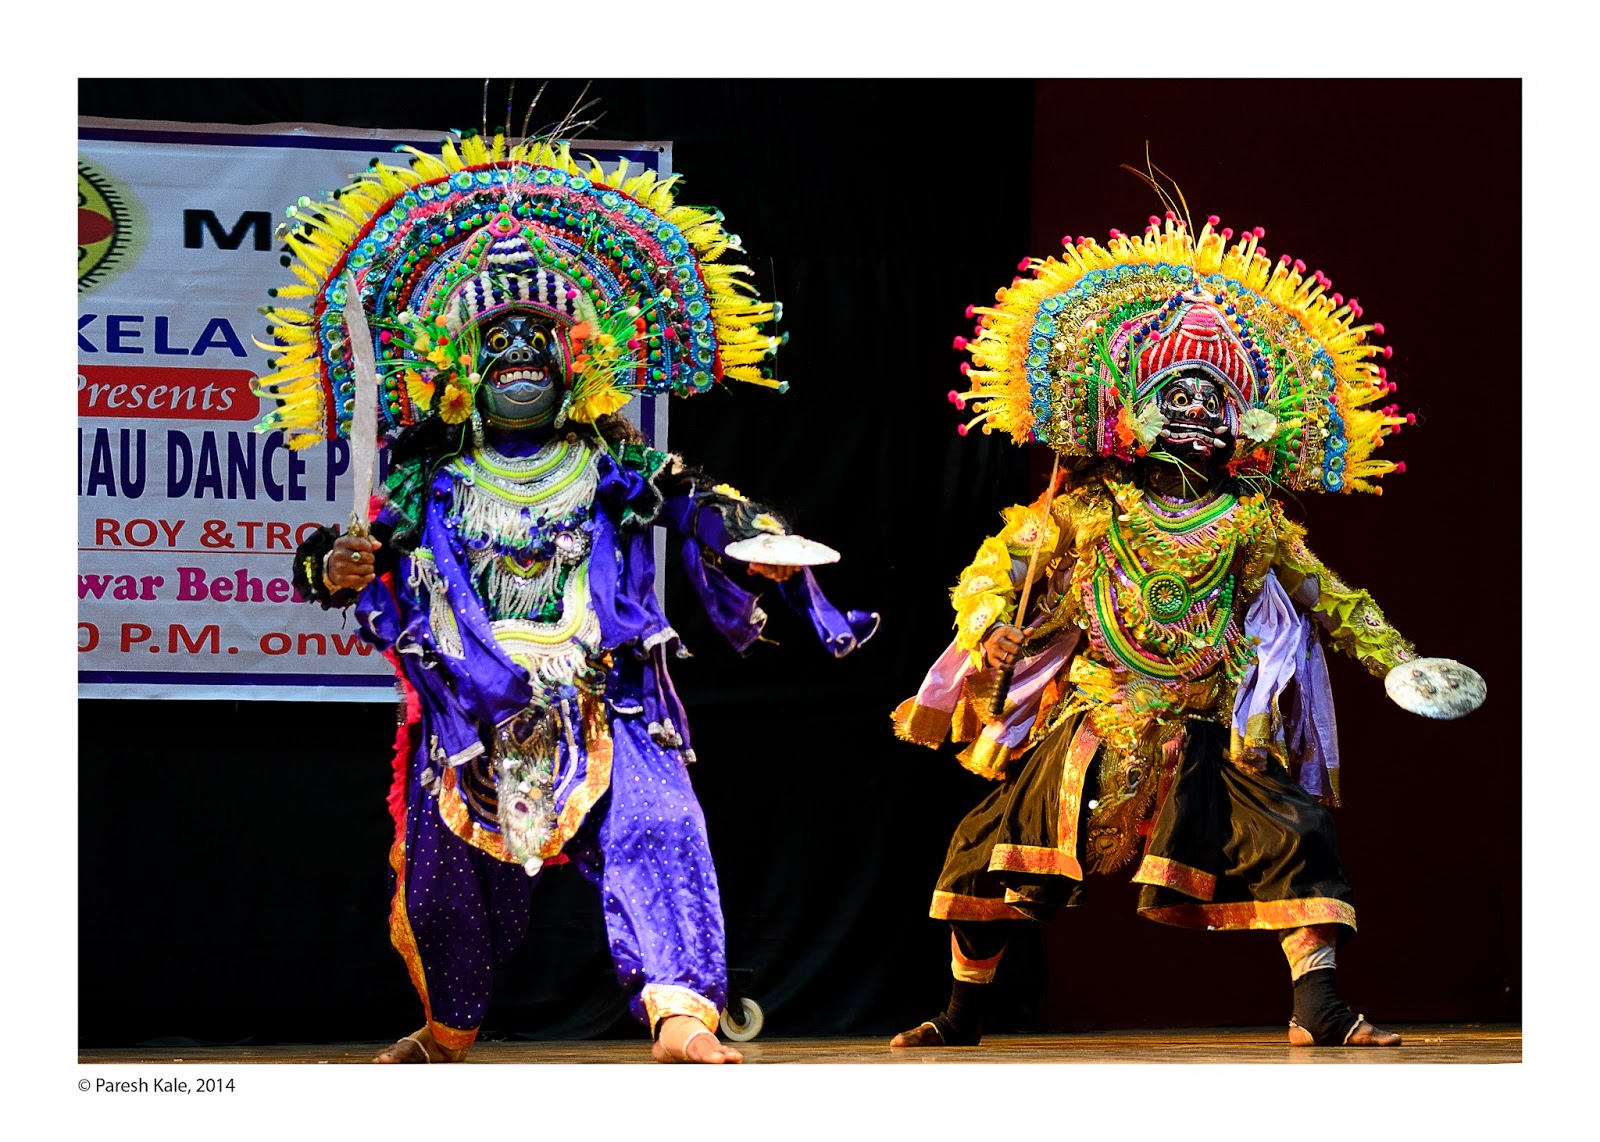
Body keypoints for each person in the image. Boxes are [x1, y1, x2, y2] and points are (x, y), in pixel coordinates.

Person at [261, 127, 877, 1063]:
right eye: (495, 343)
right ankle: (446, 1029)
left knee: (661, 827)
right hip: (474, 701)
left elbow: (692, 499)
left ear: (574, 361)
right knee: (440, 888)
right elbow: (347, 556)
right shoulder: (432, 471)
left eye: (537, 341)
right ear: (460, 367)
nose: (517, 355)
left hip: (601, 692)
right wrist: (333, 565)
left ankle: (681, 1018)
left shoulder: (609, 458)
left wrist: (747, 532)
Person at [890, 212, 1483, 1049]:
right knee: (986, 850)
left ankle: (1318, 1010)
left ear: (1242, 420)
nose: (1196, 411)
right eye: (1178, 397)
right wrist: (991, 624)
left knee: (1300, 835)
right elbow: (1004, 573)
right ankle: (960, 1015)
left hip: (1205, 728)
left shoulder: (1251, 521)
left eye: (1213, 399)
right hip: (1095, 724)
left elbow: (1328, 596)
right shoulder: (1089, 506)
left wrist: (1400, 659)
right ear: (1132, 412)